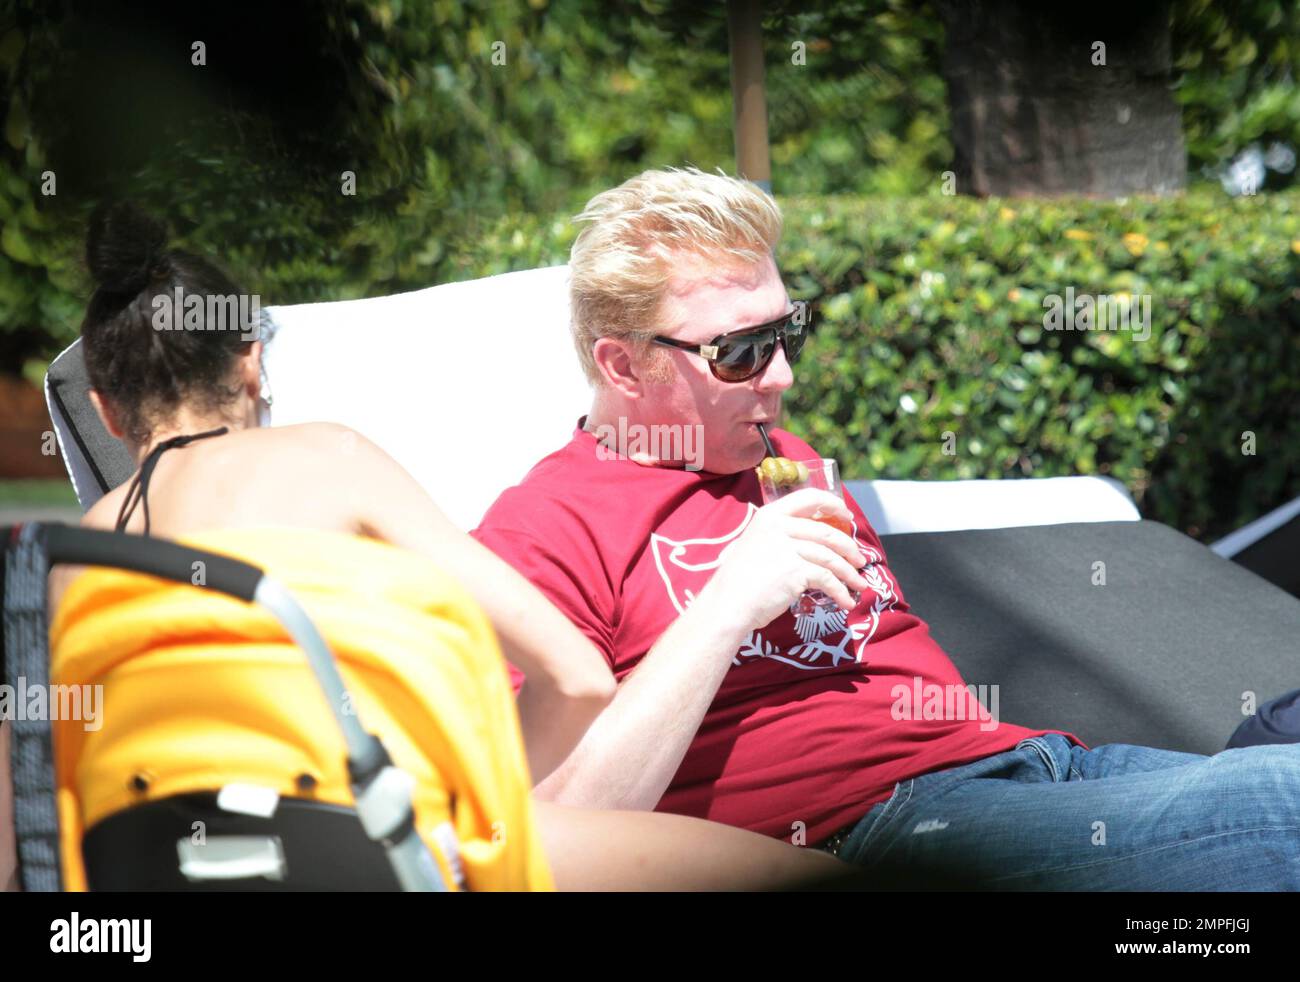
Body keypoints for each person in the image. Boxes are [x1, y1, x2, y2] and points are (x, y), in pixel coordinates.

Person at [471, 166, 1300, 889]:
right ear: (621, 363)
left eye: (787, 332)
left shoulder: (781, 460)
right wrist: (725, 606)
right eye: (740, 353)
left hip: (1040, 768)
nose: (784, 376)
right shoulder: (543, 531)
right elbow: (546, 831)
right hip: (881, 832)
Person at [1, 202, 854, 892]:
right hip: (364, 840)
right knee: (819, 877)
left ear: (107, 415)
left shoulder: (59, 555)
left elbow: (21, 809)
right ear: (254, 364)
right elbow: (580, 677)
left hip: (143, 856)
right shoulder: (329, 456)